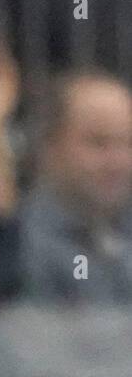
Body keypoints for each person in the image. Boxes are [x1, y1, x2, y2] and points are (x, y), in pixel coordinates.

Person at [17, 70, 132, 302]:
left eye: (128, 143)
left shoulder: (123, 229)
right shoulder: (17, 245)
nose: (118, 161)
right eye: (98, 143)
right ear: (50, 146)